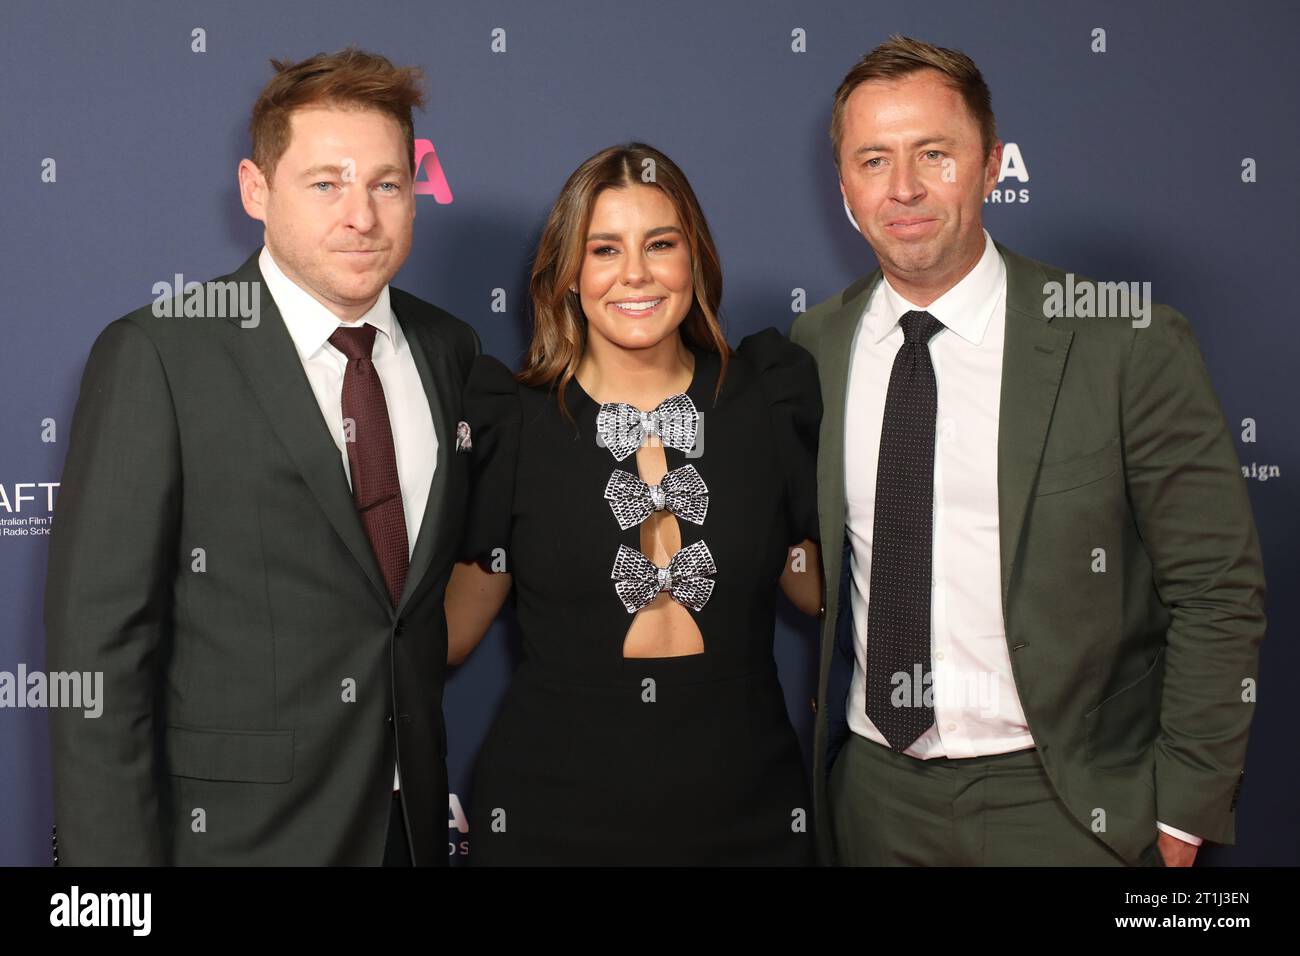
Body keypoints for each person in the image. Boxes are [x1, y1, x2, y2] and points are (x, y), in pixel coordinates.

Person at [791, 35, 1265, 867]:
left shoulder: (1125, 338)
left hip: (1074, 806)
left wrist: (1182, 820)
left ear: (992, 164)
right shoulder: (813, 347)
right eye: (874, 160)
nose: (902, 188)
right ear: (845, 189)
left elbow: (1217, 589)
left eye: (933, 154)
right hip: (876, 798)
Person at [45, 48, 478, 865]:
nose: (362, 215)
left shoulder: (449, 350)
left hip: (410, 831)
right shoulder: (160, 354)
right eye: (326, 183)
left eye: (387, 184)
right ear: (256, 191)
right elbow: (98, 654)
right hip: (234, 841)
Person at [444, 143, 822, 864]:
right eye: (605, 249)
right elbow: (448, 631)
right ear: (568, 276)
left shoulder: (769, 399)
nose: (636, 274)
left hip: (751, 810)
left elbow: (823, 594)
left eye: (660, 244)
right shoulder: (512, 420)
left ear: (695, 259)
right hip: (553, 813)